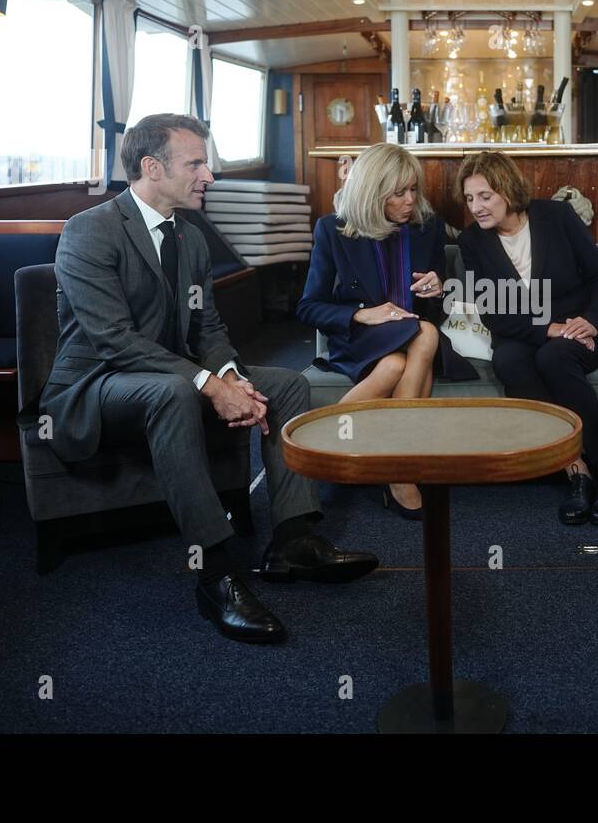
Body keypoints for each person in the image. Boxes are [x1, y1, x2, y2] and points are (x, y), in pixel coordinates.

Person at [41, 114, 378, 645]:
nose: (209, 175)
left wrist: (228, 374)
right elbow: (113, 340)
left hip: (169, 373)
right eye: (195, 163)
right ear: (152, 168)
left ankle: (292, 540)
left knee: (288, 383)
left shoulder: (190, 237)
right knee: (174, 390)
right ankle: (216, 573)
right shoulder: (90, 229)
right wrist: (207, 383)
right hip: (96, 384)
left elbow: (207, 326)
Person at [297, 142, 475, 519]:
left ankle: (363, 451)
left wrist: (438, 287)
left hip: (415, 331)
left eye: (413, 190)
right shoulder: (333, 230)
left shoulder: (426, 229)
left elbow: (439, 306)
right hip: (361, 337)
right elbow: (309, 306)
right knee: (414, 342)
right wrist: (364, 315)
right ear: (372, 192)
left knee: (412, 344)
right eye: (398, 193)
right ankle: (402, 464)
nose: (410, 200)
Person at [455, 150, 598, 525]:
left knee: (554, 358)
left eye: (485, 196)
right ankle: (575, 468)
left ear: (508, 190)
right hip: (519, 331)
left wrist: (592, 321)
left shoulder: (557, 216)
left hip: (578, 327)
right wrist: (545, 328)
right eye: (470, 199)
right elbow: (492, 311)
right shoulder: (473, 241)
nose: (476, 207)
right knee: (509, 361)